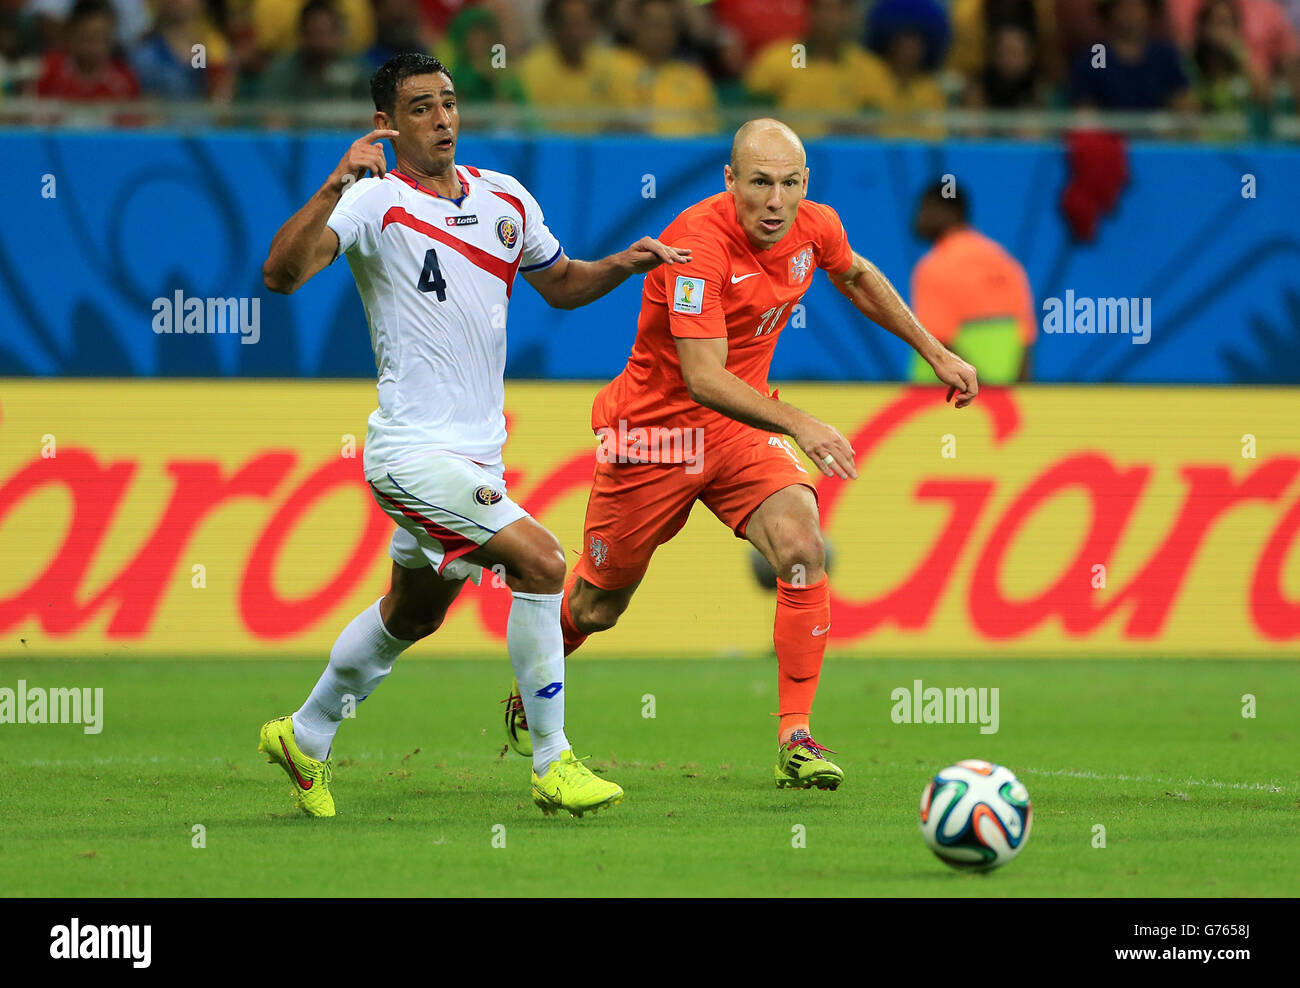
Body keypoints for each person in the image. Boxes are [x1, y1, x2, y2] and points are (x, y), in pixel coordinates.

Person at [258, 52, 689, 818]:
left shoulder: (504, 199)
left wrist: (621, 265)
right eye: (420, 108)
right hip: (409, 455)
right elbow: (281, 276)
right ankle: (553, 761)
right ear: (387, 125)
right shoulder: (373, 201)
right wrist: (333, 185)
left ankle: (306, 734)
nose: (443, 118)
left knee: (413, 614)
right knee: (542, 561)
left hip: (474, 454)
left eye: (449, 102)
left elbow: (560, 284)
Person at [503, 118, 980, 792]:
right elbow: (702, 377)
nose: (775, 201)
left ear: (805, 184)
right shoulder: (695, 246)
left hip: (738, 433)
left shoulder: (815, 225)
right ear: (731, 181)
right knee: (597, 605)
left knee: (801, 548)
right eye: (759, 183)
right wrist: (801, 423)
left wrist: (936, 353)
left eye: (788, 184)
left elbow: (859, 275)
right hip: (653, 438)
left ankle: (796, 734)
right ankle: (538, 674)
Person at [909, 180, 1036, 383]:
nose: (917, 219)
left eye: (924, 209)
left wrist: (976, 389)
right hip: (1003, 399)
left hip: (944, 397)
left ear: (947, 212)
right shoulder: (1006, 263)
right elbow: (1025, 341)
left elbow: (936, 342)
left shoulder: (935, 266)